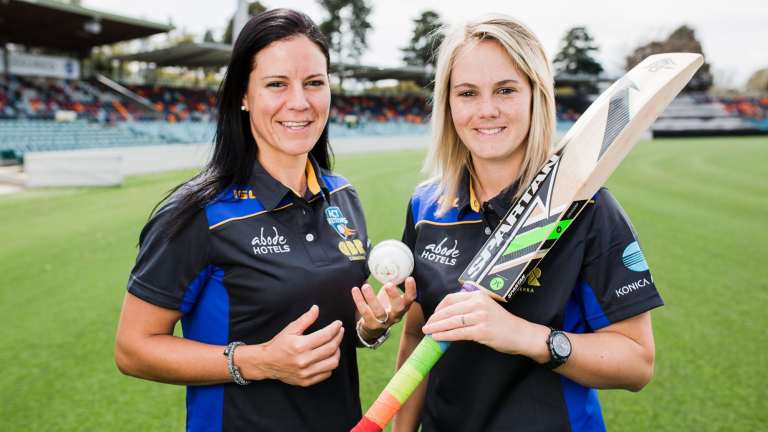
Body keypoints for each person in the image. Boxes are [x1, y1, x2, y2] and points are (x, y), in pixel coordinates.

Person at [114, 9, 414, 432]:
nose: (300, 102)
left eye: (314, 83)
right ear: (243, 94)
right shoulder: (198, 213)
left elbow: (330, 329)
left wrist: (369, 327)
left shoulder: (344, 195)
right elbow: (132, 349)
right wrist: (260, 362)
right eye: (276, 84)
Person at [393, 15, 663, 432]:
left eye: (506, 90)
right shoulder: (427, 206)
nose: (486, 110)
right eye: (467, 93)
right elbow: (417, 338)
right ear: (448, 104)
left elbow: (636, 362)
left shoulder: (588, 209)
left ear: (536, 96)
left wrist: (525, 336)